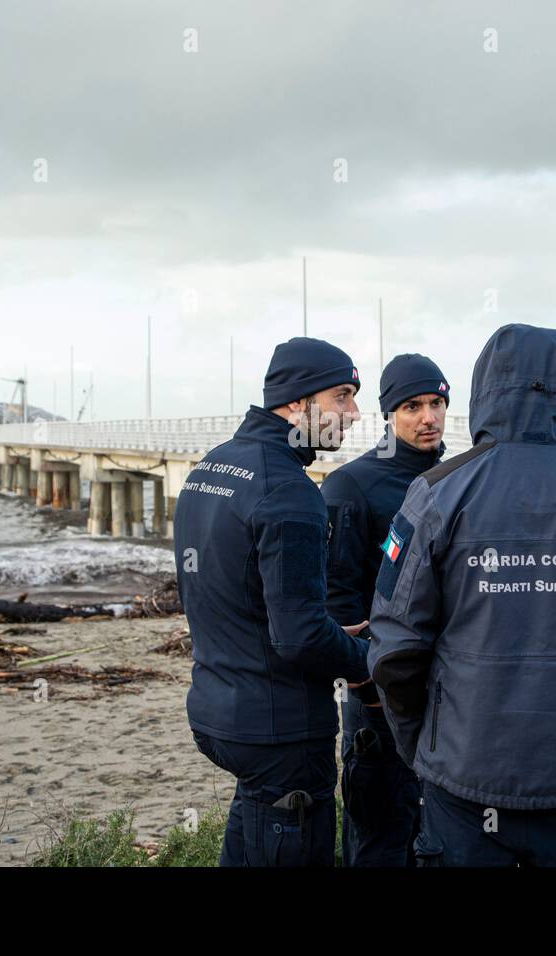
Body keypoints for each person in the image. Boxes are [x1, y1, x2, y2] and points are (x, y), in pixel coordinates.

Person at [367, 324, 556, 866]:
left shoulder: (438, 492)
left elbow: (395, 648)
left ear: (483, 390)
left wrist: (424, 748)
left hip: (463, 781)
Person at [173, 336, 371, 866]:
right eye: (342, 397)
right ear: (295, 402)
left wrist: (327, 631)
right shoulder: (289, 491)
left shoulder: (212, 467)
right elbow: (299, 636)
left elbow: (247, 594)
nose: (354, 414)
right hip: (278, 729)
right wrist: (367, 663)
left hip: (217, 710)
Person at [322, 353, 451, 866]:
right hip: (378, 699)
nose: (428, 417)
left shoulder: (460, 477)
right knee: (379, 838)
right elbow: (337, 601)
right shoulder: (351, 485)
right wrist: (366, 690)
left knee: (440, 837)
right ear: (388, 414)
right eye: (413, 405)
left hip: (448, 698)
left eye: (437, 403)